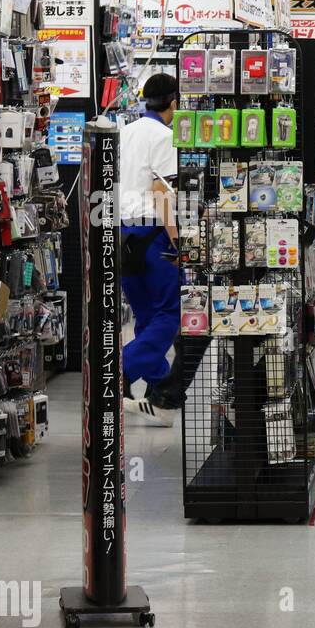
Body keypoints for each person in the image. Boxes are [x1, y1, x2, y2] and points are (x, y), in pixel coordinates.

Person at [118, 73, 181, 427]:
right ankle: (117, 372)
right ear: (174, 102)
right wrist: (178, 240)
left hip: (120, 232)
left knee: (145, 315)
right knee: (169, 315)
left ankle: (163, 393)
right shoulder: (164, 136)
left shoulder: (125, 131)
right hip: (152, 235)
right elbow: (162, 191)